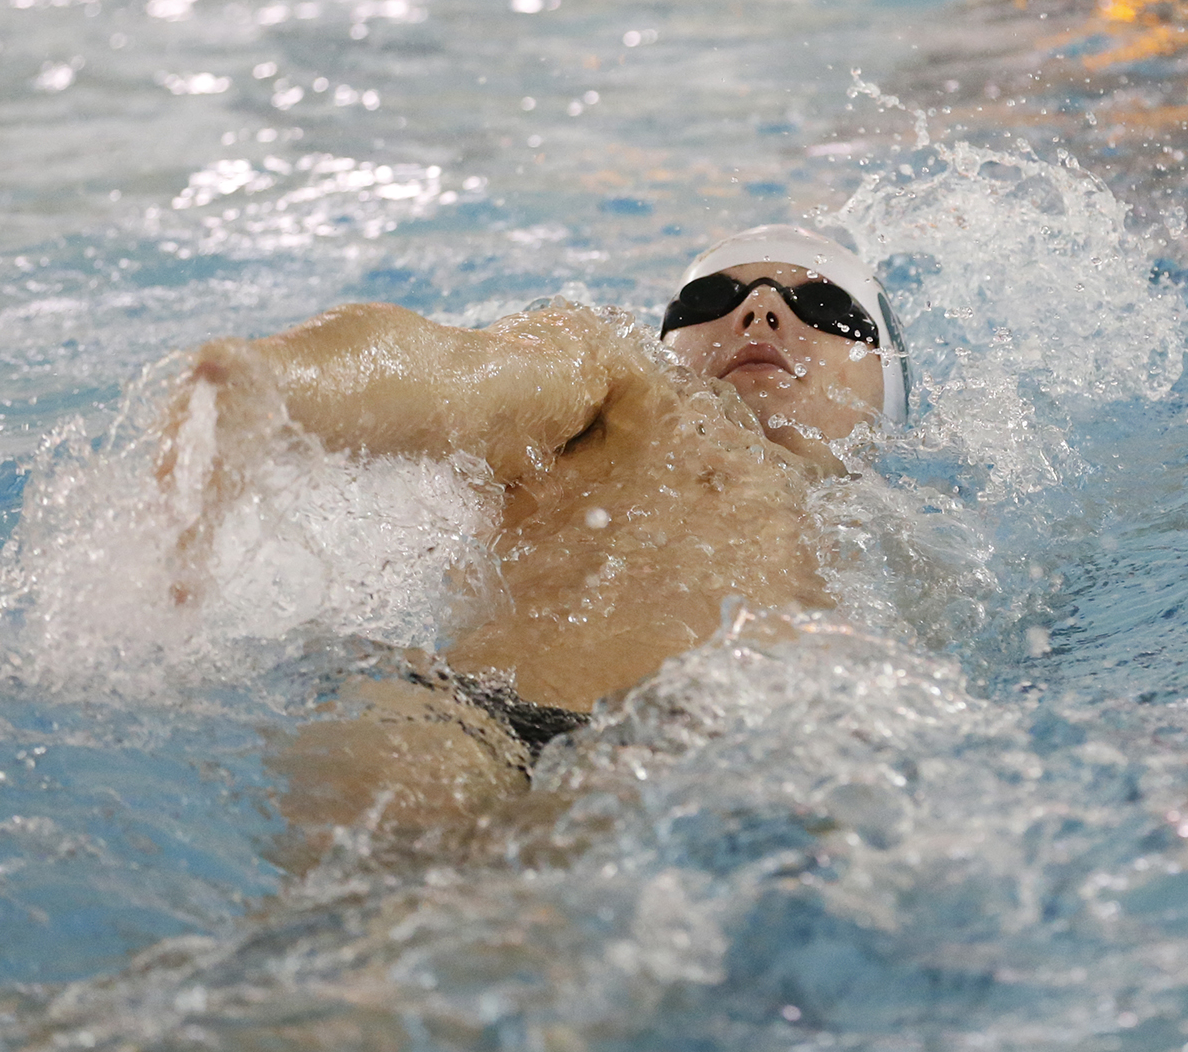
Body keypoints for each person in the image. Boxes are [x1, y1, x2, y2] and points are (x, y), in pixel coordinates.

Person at [155, 224, 911, 869]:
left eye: (823, 306)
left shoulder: (915, 544)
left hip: (700, 777)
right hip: (472, 725)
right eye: (710, 299)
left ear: (887, 383)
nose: (758, 313)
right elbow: (460, 375)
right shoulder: (625, 389)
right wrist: (279, 382)